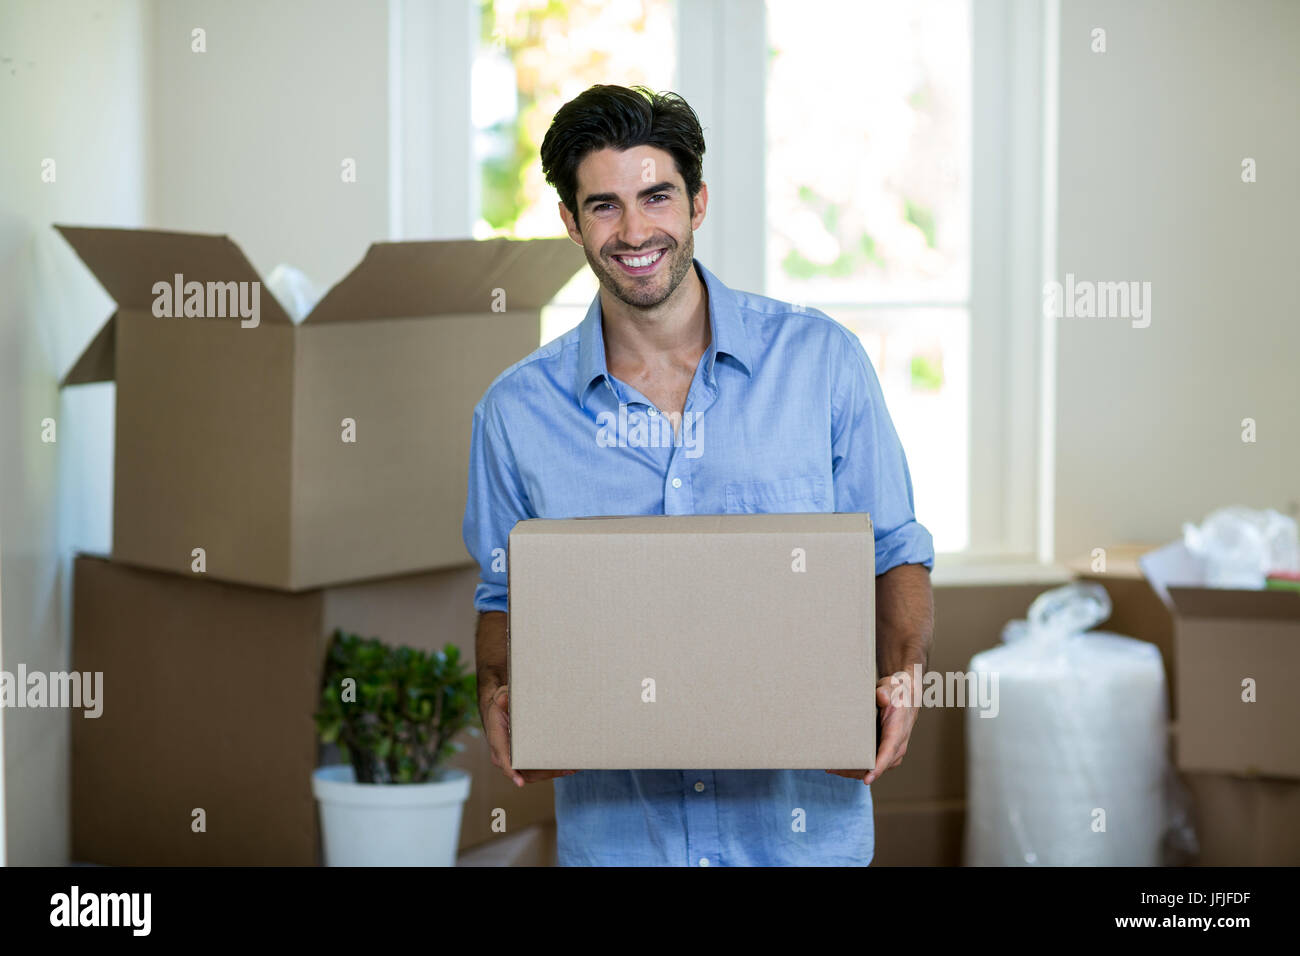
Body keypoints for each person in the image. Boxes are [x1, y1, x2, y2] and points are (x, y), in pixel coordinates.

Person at [462, 84, 935, 866]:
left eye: (657, 196)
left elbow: (892, 549)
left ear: (698, 202)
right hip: (624, 842)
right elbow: (502, 595)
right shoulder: (515, 414)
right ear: (570, 222)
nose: (636, 230)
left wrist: (901, 677)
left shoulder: (820, 364)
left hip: (801, 839)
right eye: (605, 206)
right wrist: (498, 689)